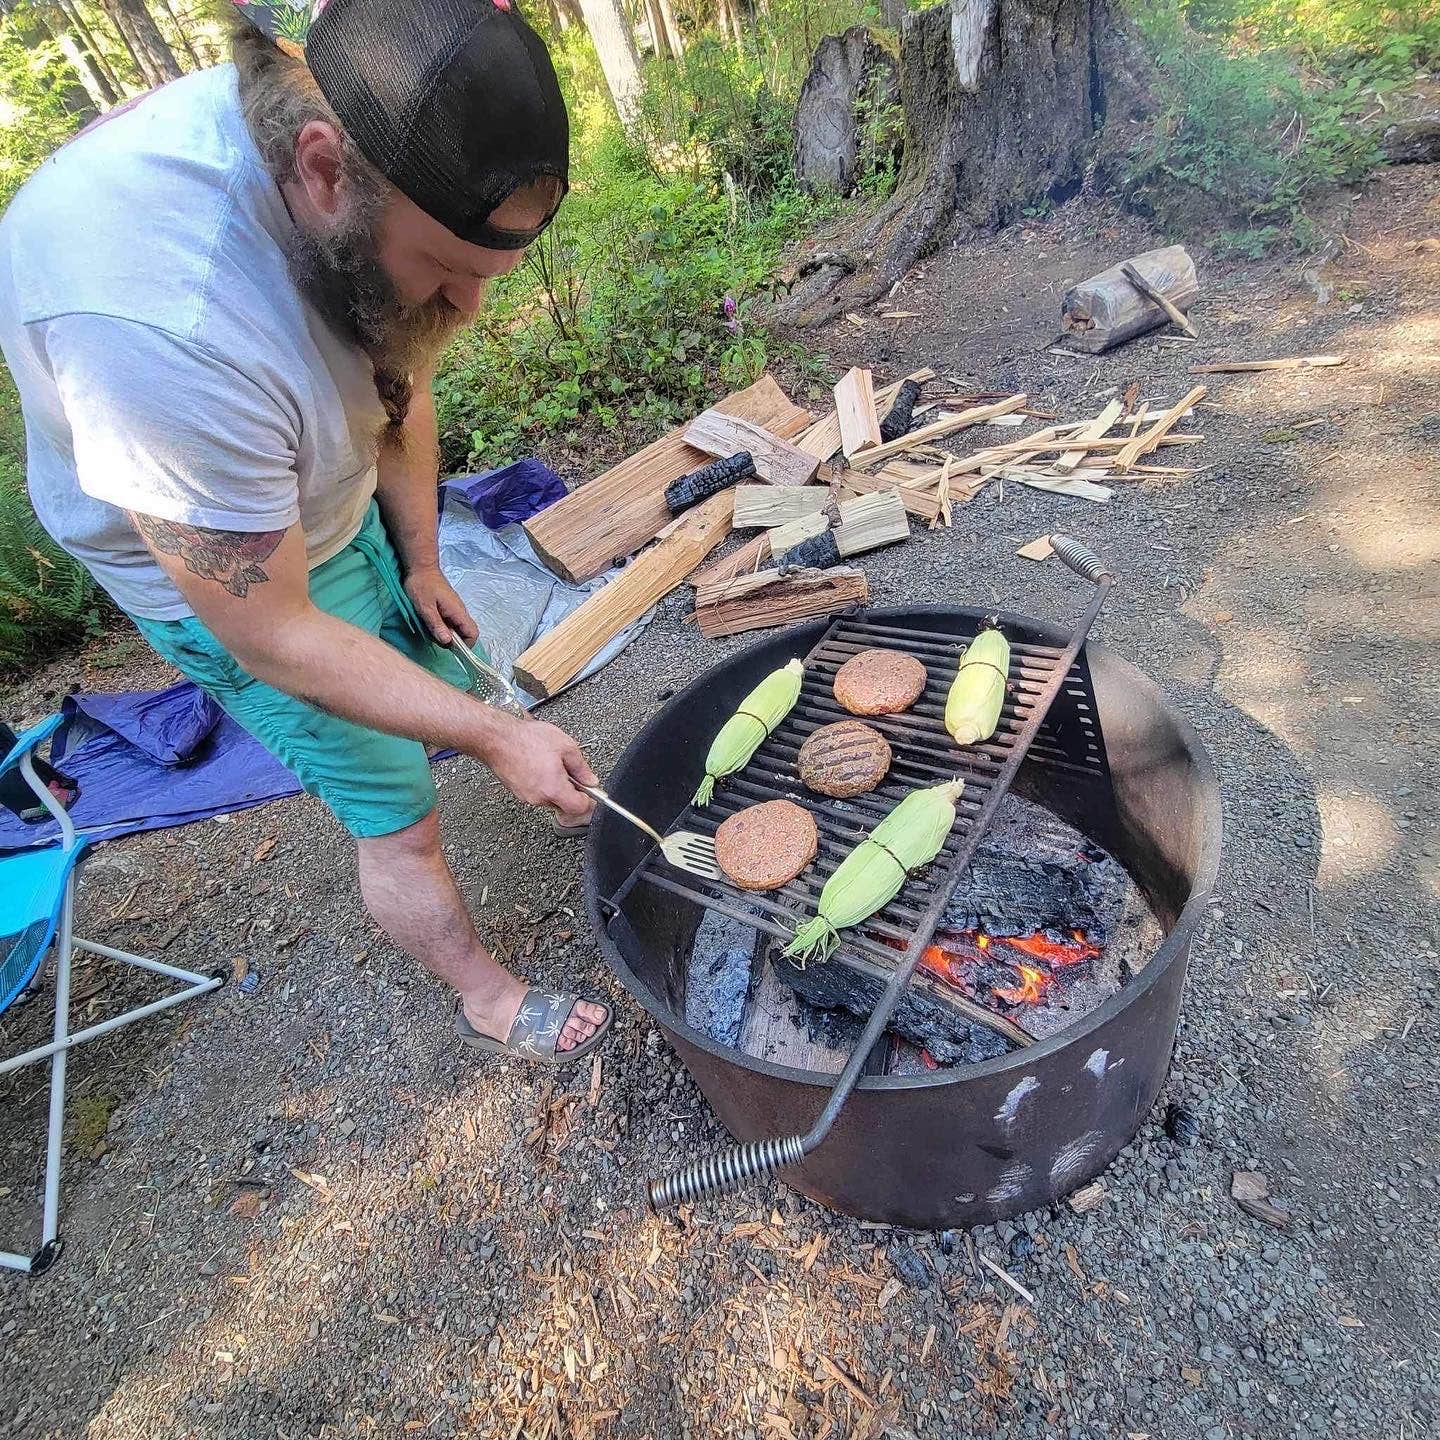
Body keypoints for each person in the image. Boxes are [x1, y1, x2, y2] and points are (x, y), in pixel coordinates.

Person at [0, 0, 611, 1065]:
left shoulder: (348, 131)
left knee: (431, 661)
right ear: (323, 169)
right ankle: (484, 995)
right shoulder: (162, 333)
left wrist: (419, 554)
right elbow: (276, 631)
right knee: (397, 807)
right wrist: (502, 735)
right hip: (234, 578)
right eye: (446, 267)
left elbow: (398, 373)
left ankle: (450, 716)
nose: (468, 307)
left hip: (312, 487)